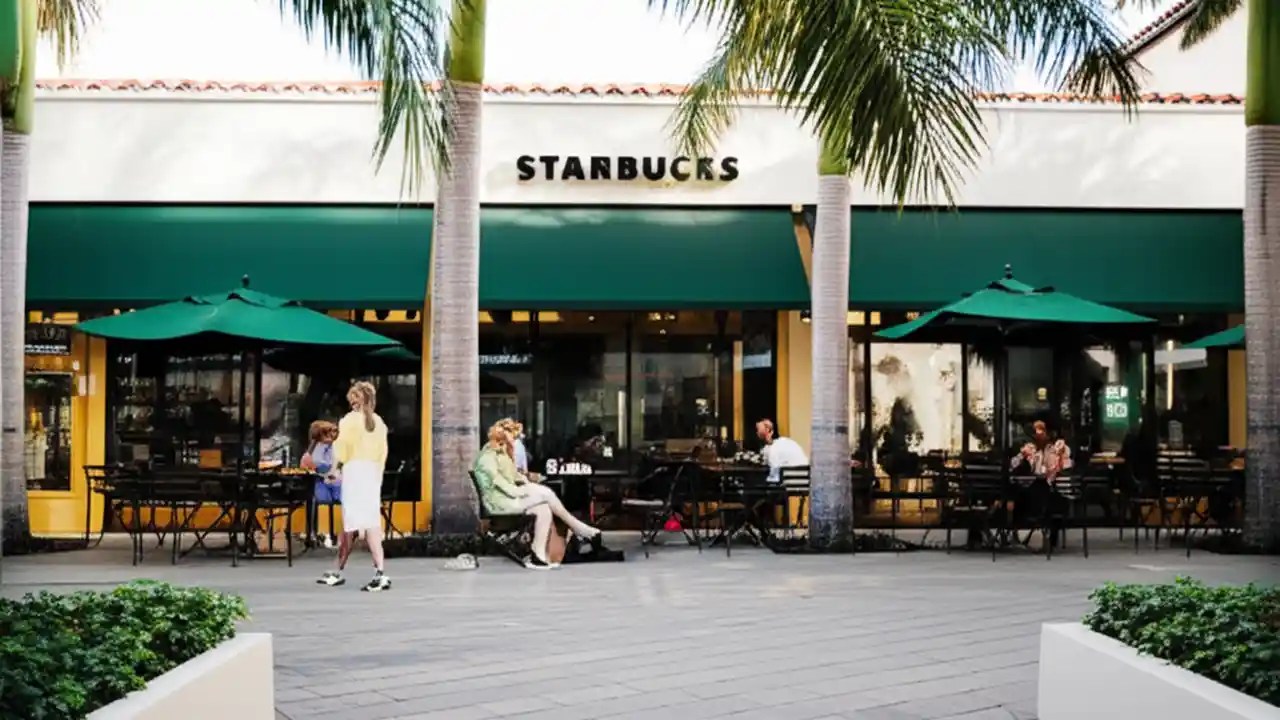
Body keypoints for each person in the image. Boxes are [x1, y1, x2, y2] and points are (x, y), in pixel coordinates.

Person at [472, 420, 603, 570]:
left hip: (510, 499)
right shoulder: (487, 458)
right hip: (499, 503)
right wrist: (528, 490)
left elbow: (515, 477)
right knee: (544, 493)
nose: (514, 442)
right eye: (512, 438)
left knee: (544, 507)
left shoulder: (503, 455)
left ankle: (538, 555)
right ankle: (578, 527)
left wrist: (531, 480)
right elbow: (505, 487)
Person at [317, 381, 391, 592]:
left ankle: (338, 571)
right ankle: (380, 571)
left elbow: (341, 450)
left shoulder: (349, 420)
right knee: (371, 524)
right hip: (373, 473)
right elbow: (383, 453)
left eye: (352, 399)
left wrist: (333, 471)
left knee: (349, 525)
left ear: (356, 401)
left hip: (355, 472)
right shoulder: (379, 422)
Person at [301, 420, 340, 548]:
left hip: (334, 482)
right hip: (319, 483)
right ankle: (312, 532)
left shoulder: (332, 447)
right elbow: (320, 464)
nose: (331, 437)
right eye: (327, 435)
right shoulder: (315, 450)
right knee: (316, 499)